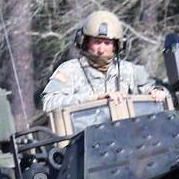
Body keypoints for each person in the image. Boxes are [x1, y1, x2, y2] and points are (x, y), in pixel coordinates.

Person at [40, 10, 168, 112]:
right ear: (84, 42)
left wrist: (157, 92)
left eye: (107, 43)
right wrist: (93, 99)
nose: (101, 49)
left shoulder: (130, 71)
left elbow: (157, 90)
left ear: (117, 45)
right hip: (83, 141)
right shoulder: (69, 70)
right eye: (96, 42)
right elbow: (49, 103)